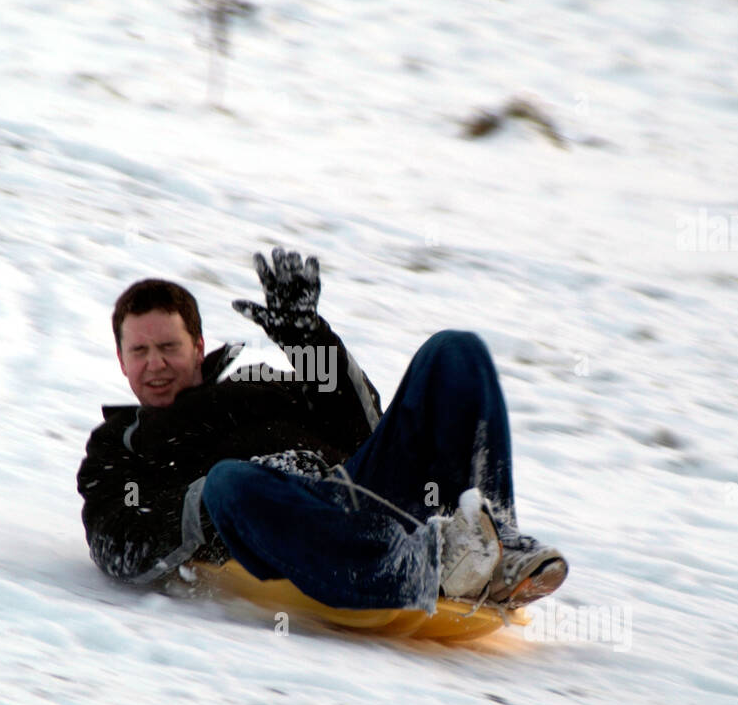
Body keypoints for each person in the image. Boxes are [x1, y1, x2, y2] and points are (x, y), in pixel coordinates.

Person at [76, 248, 567, 613]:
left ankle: (495, 545)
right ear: (121, 360)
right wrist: (204, 504)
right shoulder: (120, 447)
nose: (155, 363)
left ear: (198, 346)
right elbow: (114, 544)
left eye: (168, 346)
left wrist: (305, 335)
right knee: (230, 481)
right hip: (294, 530)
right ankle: (421, 567)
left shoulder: (256, 381)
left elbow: (364, 424)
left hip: (362, 487)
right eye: (139, 352)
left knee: (455, 350)